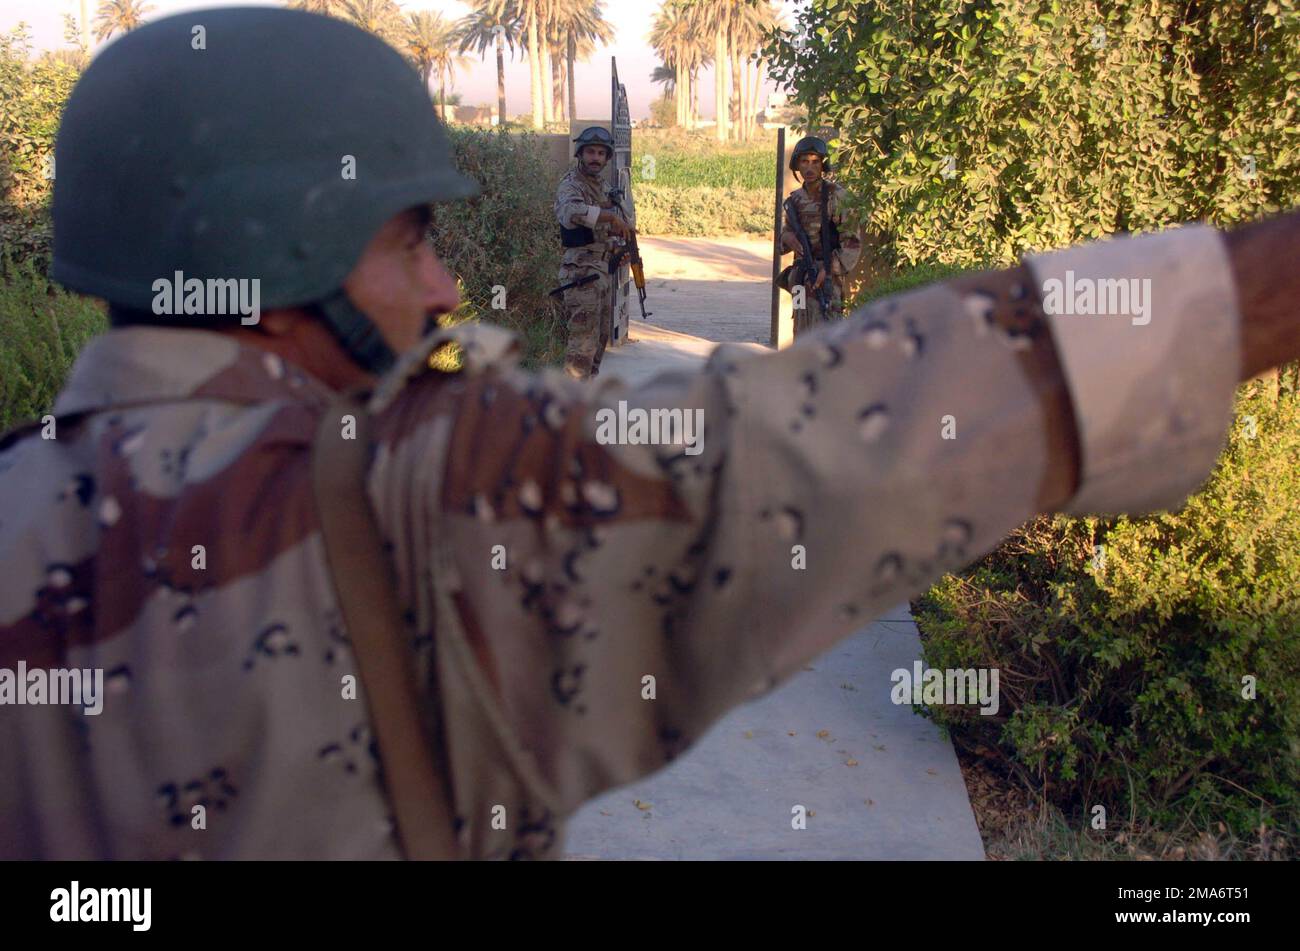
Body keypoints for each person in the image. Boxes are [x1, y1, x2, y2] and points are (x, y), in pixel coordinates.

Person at [1, 7, 1295, 861]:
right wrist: (1245, 291)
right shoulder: (416, 508)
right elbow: (820, 442)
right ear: (274, 250)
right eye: (410, 239)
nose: (444, 288)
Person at [553, 126, 632, 380]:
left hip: (602, 271)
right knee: (582, 345)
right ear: (580, 154)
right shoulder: (572, 184)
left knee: (598, 342)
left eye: (600, 153)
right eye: (590, 152)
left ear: (607, 157)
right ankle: (569, 405)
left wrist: (619, 238)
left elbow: (608, 223)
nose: (595, 158)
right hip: (581, 273)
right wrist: (608, 216)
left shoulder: (603, 186)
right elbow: (569, 214)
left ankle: (583, 400)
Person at [779, 136, 862, 335]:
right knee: (799, 325)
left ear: (823, 165)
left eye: (815, 162)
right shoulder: (795, 200)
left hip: (827, 279)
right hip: (800, 279)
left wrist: (828, 267)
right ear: (797, 165)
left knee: (828, 329)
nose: (809, 168)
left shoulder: (837, 197)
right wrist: (786, 238)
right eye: (804, 162)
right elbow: (784, 238)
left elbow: (852, 242)